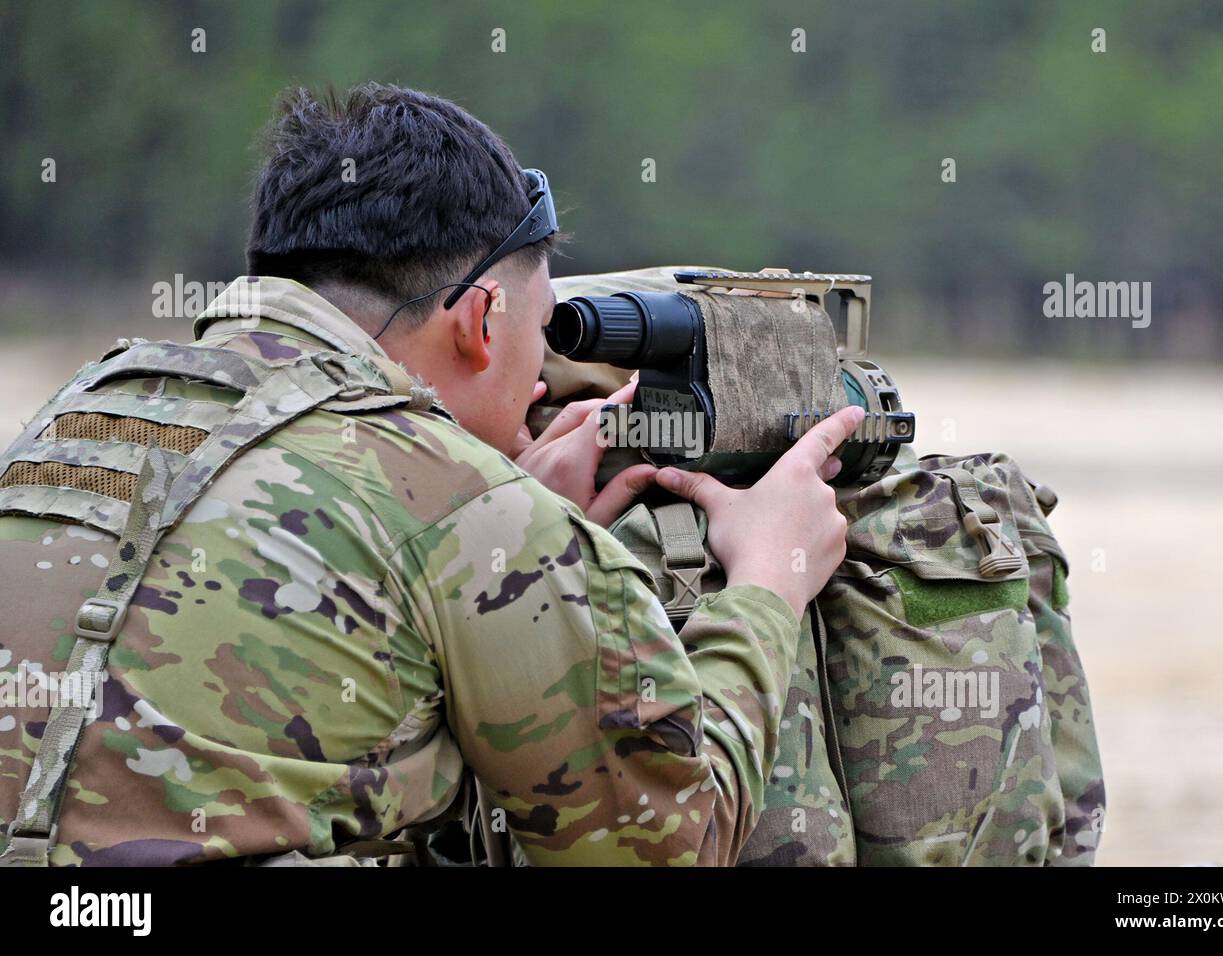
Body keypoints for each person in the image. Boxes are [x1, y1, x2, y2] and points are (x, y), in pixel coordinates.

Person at [0, 83, 859, 866]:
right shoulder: (468, 511)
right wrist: (768, 582)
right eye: (547, 327)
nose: (542, 368)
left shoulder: (74, 416)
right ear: (482, 318)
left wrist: (512, 534)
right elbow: (667, 848)